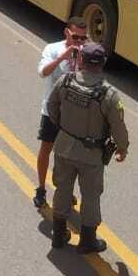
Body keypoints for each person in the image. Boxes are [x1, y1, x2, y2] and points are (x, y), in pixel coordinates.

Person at [47, 42, 129, 255]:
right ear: (102, 63)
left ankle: (58, 235)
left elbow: (51, 106)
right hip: (91, 156)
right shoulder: (109, 94)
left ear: (81, 60)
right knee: (91, 195)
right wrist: (122, 148)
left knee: (62, 189)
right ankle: (87, 241)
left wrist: (63, 128)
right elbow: (118, 126)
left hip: (64, 147)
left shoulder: (65, 81)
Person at [33, 17, 88, 209]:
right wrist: (61, 58)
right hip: (52, 112)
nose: (79, 42)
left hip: (73, 116)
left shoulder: (86, 53)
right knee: (46, 150)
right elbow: (43, 72)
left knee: (69, 157)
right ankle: (41, 188)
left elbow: (91, 82)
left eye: (83, 38)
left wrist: (82, 64)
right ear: (66, 33)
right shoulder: (52, 49)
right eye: (75, 37)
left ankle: (65, 190)